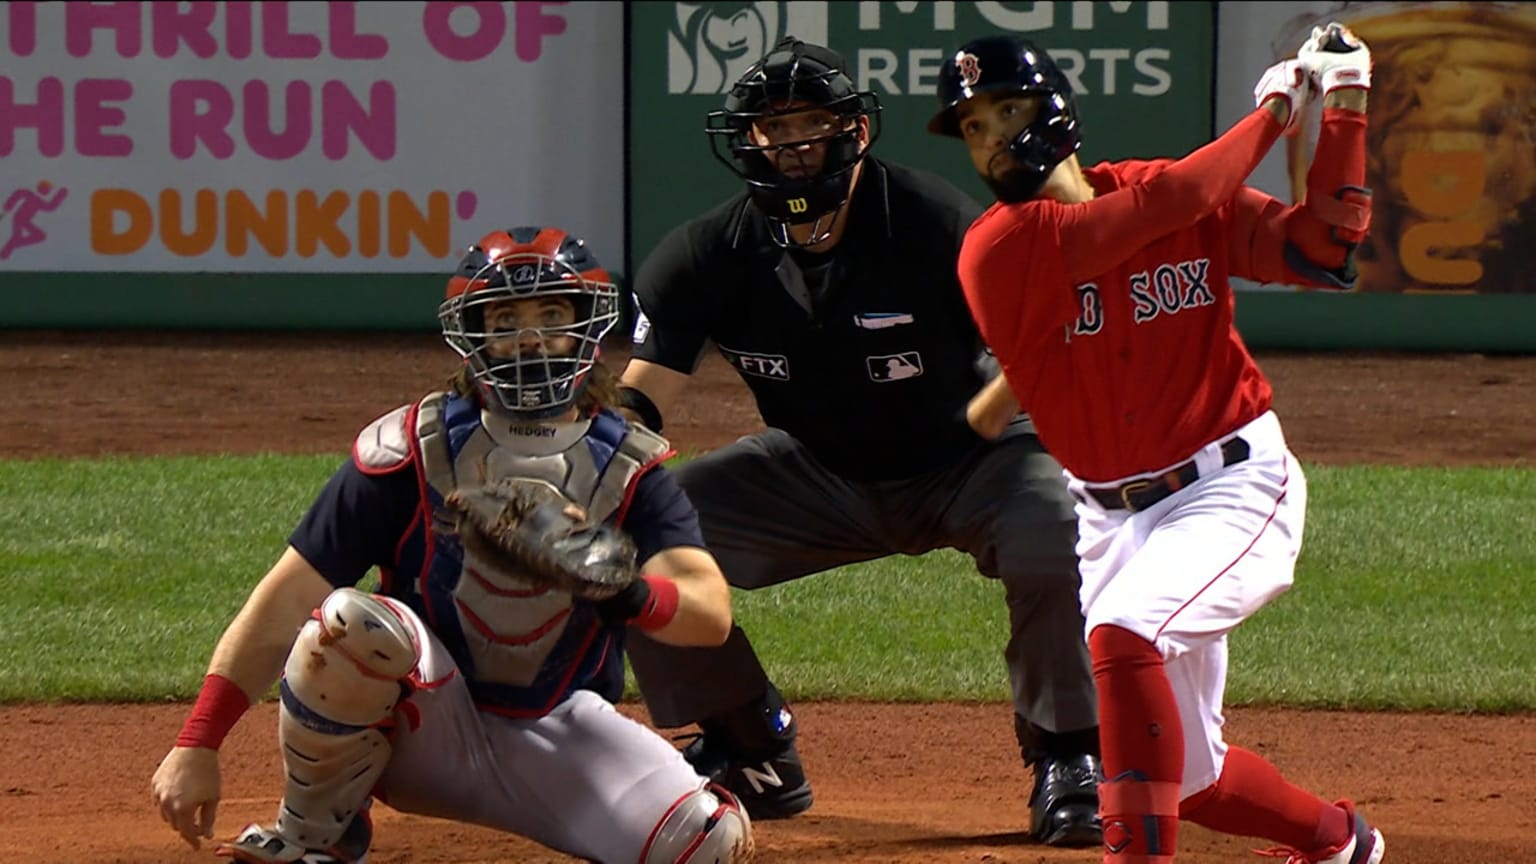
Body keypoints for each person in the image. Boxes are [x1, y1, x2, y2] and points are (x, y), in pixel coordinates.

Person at [617, 35, 1104, 847]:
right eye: (773, 130)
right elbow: (642, 400)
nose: (793, 146)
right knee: (634, 536)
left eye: (811, 123)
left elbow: (1046, 341)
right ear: (746, 143)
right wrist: (590, 473)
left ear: (858, 132)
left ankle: (1070, 755)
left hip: (974, 462)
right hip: (819, 476)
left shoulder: (935, 223)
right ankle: (753, 749)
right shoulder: (706, 255)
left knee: (1058, 533)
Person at [148, 226, 754, 864]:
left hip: (555, 729)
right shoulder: (410, 449)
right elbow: (286, 598)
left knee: (708, 840)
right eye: (506, 317)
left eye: (551, 314)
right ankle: (315, 838)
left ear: (587, 326)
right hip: (420, 734)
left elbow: (708, 614)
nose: (529, 337)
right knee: (348, 624)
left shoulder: (632, 470)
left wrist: (628, 592)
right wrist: (199, 741)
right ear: (473, 335)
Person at [930, 24, 1383, 864]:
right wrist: (1278, 110)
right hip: (1110, 520)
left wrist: (1346, 106)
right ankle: (1340, 842)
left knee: (1128, 635)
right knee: (1191, 778)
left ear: (1054, 107)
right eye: (971, 126)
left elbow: (1325, 247)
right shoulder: (998, 248)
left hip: (1233, 484)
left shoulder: (1172, 196)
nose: (989, 138)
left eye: (1004, 109)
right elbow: (1165, 208)